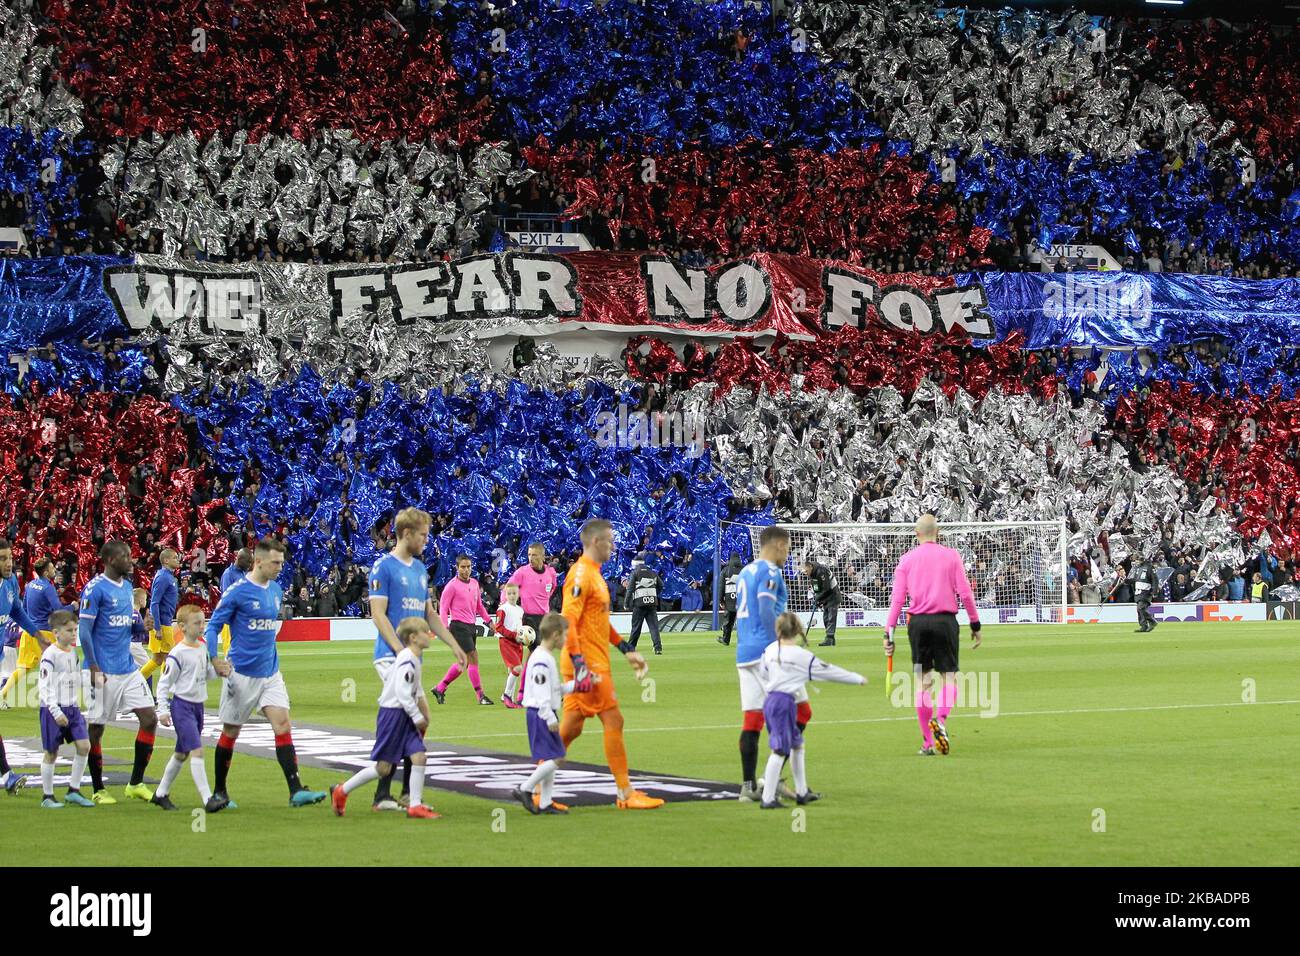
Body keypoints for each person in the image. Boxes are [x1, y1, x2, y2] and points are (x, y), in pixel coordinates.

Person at [205, 538, 326, 810]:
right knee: (231, 731)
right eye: (275, 563)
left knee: (282, 725)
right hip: (241, 674)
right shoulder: (237, 592)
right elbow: (212, 627)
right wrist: (214, 659)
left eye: (281, 563)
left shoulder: (275, 589)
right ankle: (219, 792)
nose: (280, 568)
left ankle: (296, 790)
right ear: (258, 561)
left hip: (270, 671)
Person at [560, 518, 663, 810]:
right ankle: (625, 792)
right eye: (610, 540)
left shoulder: (594, 574)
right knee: (613, 720)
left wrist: (626, 648)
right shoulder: (582, 575)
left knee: (571, 727)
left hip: (587, 661)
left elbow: (599, 622)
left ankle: (535, 787)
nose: (614, 546)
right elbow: (568, 621)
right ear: (596, 542)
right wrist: (580, 663)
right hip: (587, 664)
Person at [368, 507, 465, 809]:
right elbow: (378, 614)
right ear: (406, 533)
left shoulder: (420, 570)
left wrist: (453, 644)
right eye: (422, 534)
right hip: (390, 657)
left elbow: (429, 614)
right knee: (413, 716)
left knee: (417, 719)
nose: (426, 539)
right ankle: (392, 793)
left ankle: (394, 792)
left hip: (410, 658)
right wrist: (399, 651)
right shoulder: (384, 567)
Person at [883, 515, 981, 757]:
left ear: (916, 533)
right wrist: (975, 623)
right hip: (945, 622)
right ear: (938, 532)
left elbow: (897, 600)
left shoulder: (906, 560)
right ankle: (941, 720)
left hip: (917, 624)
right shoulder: (951, 556)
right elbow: (965, 594)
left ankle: (927, 743)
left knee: (923, 681)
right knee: (949, 678)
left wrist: (889, 633)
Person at [330, 617, 438, 820]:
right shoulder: (407, 660)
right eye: (425, 632)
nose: (429, 635)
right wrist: (418, 716)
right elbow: (402, 693)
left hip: (403, 714)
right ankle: (342, 791)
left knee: (419, 756)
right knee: (383, 768)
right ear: (413, 638)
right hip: (393, 715)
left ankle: (415, 805)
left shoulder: (411, 658)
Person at [757, 612, 866, 809]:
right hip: (784, 703)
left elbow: (762, 672)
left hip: (772, 700)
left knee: (797, 745)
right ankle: (768, 798)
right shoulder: (801, 655)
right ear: (797, 630)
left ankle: (802, 792)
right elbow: (828, 671)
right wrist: (856, 678)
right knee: (780, 750)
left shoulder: (770, 649)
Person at [80, 539, 159, 804]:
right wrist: (93, 666)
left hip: (127, 668)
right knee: (96, 728)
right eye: (125, 556)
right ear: (111, 560)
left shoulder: (127, 588)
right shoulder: (95, 589)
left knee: (149, 719)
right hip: (102, 669)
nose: (130, 560)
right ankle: (98, 789)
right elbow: (84, 631)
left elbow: (125, 625)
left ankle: (135, 783)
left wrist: (141, 627)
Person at [735, 526, 806, 802]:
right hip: (769, 653)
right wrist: (780, 643)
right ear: (778, 545)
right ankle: (771, 780)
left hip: (745, 653)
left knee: (753, 719)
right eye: (787, 549)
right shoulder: (771, 572)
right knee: (802, 712)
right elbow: (766, 608)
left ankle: (748, 786)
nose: (787, 555)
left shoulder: (746, 572)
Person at [511, 612, 582, 815]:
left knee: (552, 756)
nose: (567, 640)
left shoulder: (544, 656)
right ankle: (525, 788)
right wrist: (549, 716)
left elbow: (552, 689)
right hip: (541, 713)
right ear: (556, 634)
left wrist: (576, 685)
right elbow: (542, 692)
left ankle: (545, 802)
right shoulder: (542, 659)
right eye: (565, 635)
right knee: (558, 757)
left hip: (542, 711)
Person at [151, 605, 219, 811]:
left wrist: (221, 669)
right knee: (197, 750)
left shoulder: (202, 648)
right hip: (182, 707)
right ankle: (208, 799)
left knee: (181, 753)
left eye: (203, 622)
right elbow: (164, 683)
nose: (202, 626)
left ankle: (160, 793)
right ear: (182, 626)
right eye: (197, 623)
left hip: (198, 707)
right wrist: (163, 710)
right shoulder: (177, 653)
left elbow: (206, 674)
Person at [37, 610, 94, 808]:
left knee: (84, 746)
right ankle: (47, 796)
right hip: (53, 710)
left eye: (75, 630)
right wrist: (55, 711)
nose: (73, 634)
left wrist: (91, 682)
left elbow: (76, 677)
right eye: (69, 630)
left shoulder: (73, 652)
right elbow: (44, 687)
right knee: (51, 752)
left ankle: (73, 791)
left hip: (72, 708)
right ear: (56, 633)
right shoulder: (50, 655)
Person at [432, 555, 495, 706]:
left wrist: (489, 621)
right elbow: (443, 608)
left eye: (468, 567)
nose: (466, 570)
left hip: (471, 626)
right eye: (463, 567)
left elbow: (479, 606)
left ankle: (440, 688)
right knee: (473, 657)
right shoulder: (452, 586)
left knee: (464, 662)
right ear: (457, 567)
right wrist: (444, 627)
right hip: (458, 626)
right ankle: (480, 696)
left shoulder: (474, 583)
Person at [1, 551, 57, 707]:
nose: (54, 570)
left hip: (29, 631)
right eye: (52, 568)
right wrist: (72, 607)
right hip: (45, 632)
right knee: (57, 666)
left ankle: (2, 694)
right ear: (46, 572)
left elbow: (21, 609)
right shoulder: (48, 588)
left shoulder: (30, 585)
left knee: (22, 668)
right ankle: (51, 699)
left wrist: (33, 629)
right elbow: (58, 608)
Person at [508, 542, 557, 650]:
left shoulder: (551, 573)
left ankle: (529, 662)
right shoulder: (522, 572)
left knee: (540, 651)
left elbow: (552, 587)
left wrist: (544, 598)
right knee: (538, 648)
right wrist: (504, 605)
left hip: (544, 618)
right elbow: (508, 588)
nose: (531, 558)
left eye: (534, 555)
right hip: (528, 618)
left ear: (543, 556)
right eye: (529, 555)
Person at [140, 548, 180, 682]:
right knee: (167, 658)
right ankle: (138, 683)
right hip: (162, 624)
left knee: (159, 659)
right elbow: (154, 603)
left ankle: (136, 684)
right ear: (166, 560)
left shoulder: (167, 576)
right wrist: (157, 627)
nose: (177, 560)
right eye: (175, 557)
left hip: (164, 622)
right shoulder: (163, 577)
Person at [493, 582, 527, 708]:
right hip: (506, 641)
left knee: (512, 670)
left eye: (514, 593)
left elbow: (519, 627)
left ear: (518, 594)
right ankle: (507, 695)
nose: (512, 596)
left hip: (517, 643)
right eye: (509, 593)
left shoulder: (520, 610)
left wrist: (523, 637)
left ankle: (509, 698)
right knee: (518, 668)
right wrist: (513, 635)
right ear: (505, 595)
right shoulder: (503, 609)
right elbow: (498, 627)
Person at [624, 552, 663, 655]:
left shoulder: (635, 573)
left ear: (634, 564)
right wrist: (654, 594)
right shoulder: (652, 572)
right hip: (652, 603)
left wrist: (626, 604)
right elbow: (661, 585)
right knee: (654, 627)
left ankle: (631, 647)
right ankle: (658, 648)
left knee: (636, 627)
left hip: (639, 604)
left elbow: (630, 589)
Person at [217, 548, 253, 655]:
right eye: (248, 562)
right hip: (230, 621)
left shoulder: (244, 573)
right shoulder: (228, 574)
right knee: (231, 654)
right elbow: (227, 599)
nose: (250, 565)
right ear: (239, 559)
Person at [802, 557, 841, 646]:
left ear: (810, 567)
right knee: (826, 618)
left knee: (831, 617)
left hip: (833, 595)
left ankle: (829, 638)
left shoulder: (821, 571)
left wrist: (818, 598)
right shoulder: (812, 574)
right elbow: (817, 589)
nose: (806, 573)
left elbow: (826, 588)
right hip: (826, 596)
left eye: (806, 571)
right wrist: (818, 600)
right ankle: (831, 639)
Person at [716, 554, 742, 647]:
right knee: (744, 621)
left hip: (729, 600)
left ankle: (725, 639)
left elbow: (721, 586)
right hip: (742, 600)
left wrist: (720, 600)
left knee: (728, 621)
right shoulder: (745, 570)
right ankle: (744, 640)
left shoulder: (726, 570)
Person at [1131, 555, 1159, 633]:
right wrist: (1127, 581)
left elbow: (1155, 580)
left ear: (1141, 559)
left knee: (1141, 608)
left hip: (1146, 591)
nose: (1136, 562)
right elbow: (1136, 579)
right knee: (1139, 609)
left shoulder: (1150, 567)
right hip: (1138, 591)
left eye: (1137, 560)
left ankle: (1152, 621)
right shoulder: (1138, 568)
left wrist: (1154, 591)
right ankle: (1143, 625)